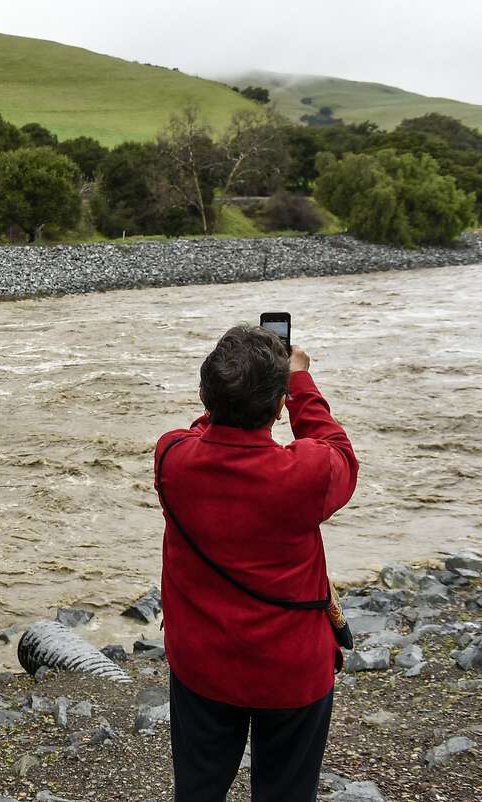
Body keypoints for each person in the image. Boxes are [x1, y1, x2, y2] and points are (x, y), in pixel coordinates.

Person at [155, 325, 359, 802]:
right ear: (277, 405)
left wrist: (237, 391)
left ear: (208, 394)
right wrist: (300, 384)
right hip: (291, 671)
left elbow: (203, 430)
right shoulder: (307, 472)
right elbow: (339, 450)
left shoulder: (172, 458)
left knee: (199, 790)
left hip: (202, 662)